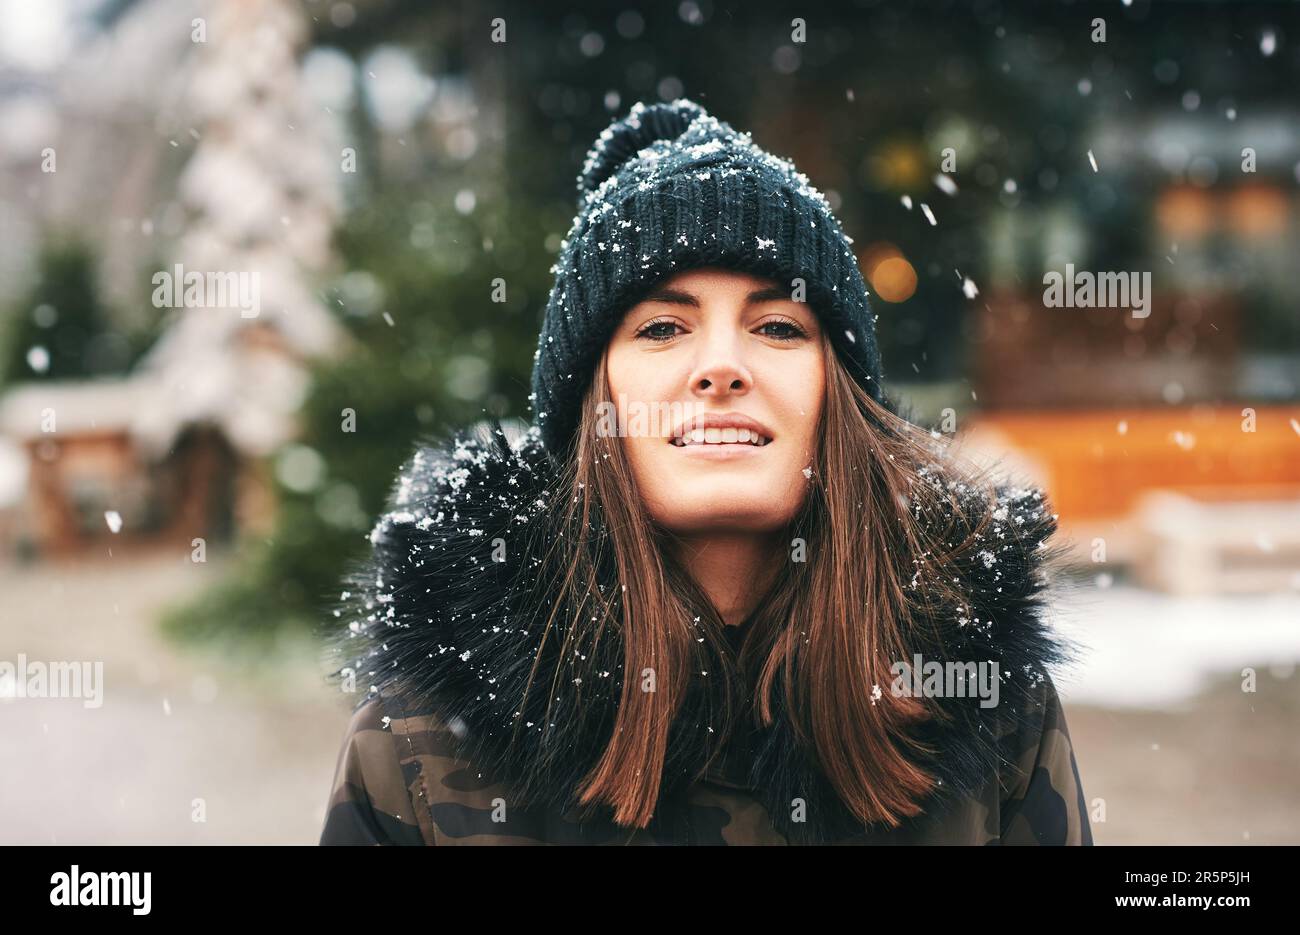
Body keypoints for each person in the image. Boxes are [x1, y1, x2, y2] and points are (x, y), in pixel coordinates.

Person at [319, 98, 1092, 845]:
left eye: (779, 326)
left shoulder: (990, 710)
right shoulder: (420, 741)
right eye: (662, 326)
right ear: (594, 401)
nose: (721, 366)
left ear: (839, 398)